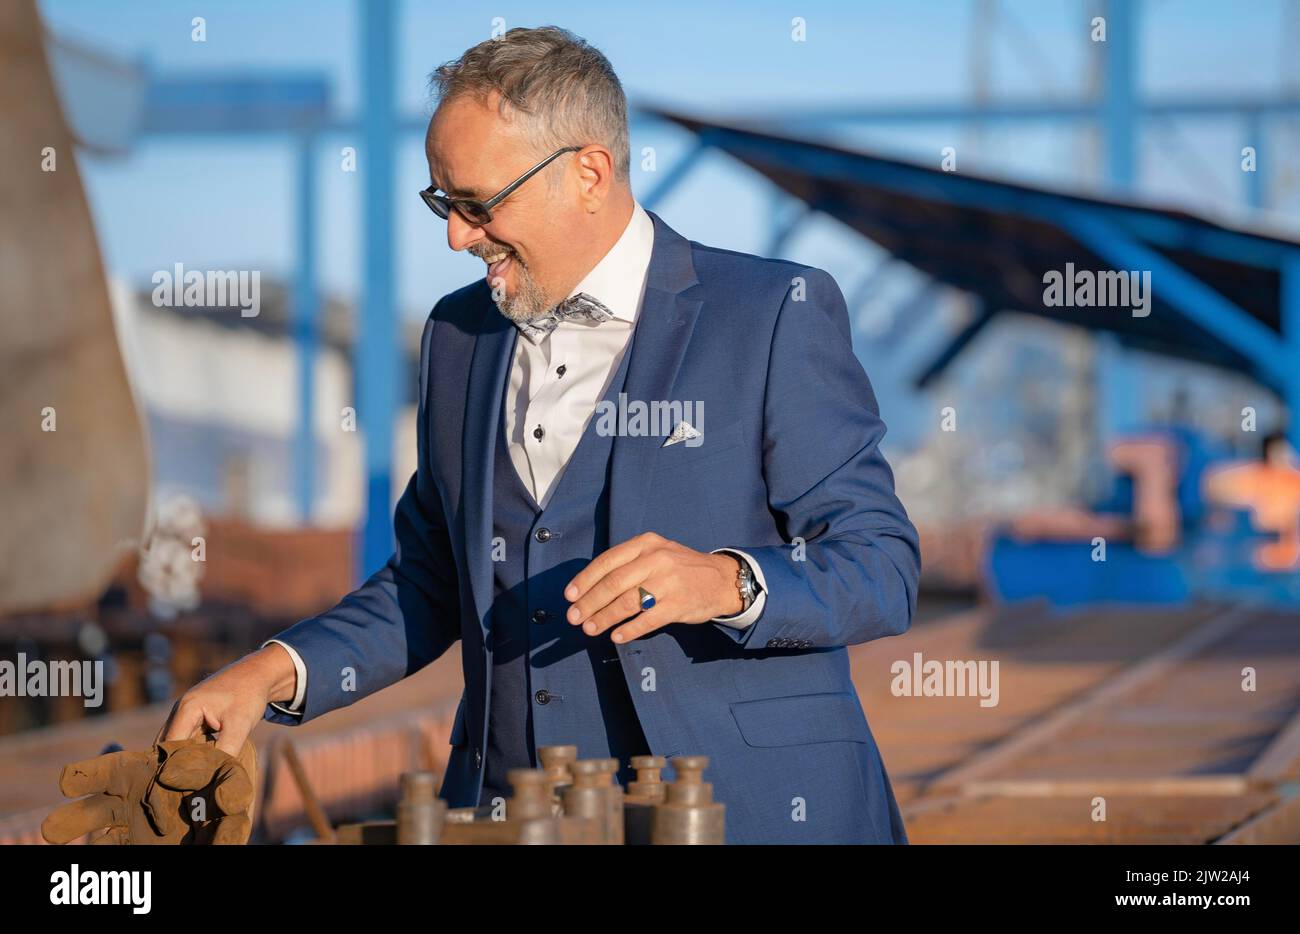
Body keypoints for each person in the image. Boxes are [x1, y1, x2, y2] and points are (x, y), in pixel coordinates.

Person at [164, 26, 920, 844]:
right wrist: (270, 673)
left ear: (588, 174)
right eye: (440, 203)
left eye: (477, 204)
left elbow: (881, 564)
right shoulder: (457, 338)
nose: (455, 236)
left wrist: (725, 583)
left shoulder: (771, 314)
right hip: (511, 815)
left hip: (753, 811)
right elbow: (432, 581)